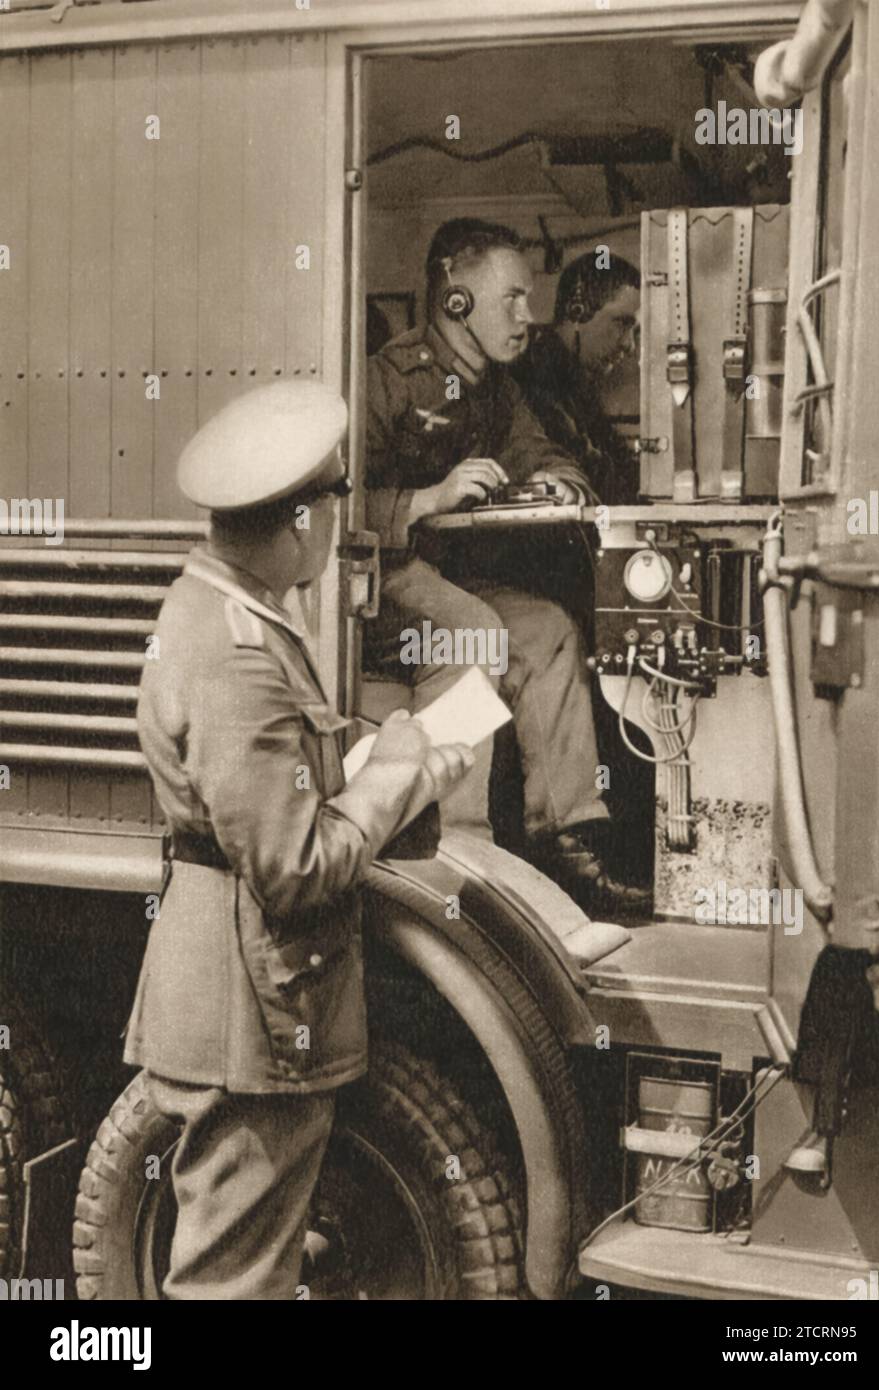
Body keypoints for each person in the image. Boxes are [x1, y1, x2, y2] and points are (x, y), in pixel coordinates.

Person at [125, 381, 474, 1300]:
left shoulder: (229, 612)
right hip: (251, 1015)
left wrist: (372, 762)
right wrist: (395, 773)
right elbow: (293, 867)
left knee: (248, 1270)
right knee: (232, 1282)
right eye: (332, 504)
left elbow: (277, 788)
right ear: (304, 521)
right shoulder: (236, 648)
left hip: (248, 994)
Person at [364, 217, 647, 915]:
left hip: (442, 582)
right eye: (512, 299)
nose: (527, 316)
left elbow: (539, 450)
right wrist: (424, 498)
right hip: (378, 585)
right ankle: (453, 853)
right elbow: (328, 510)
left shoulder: (496, 389)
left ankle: (565, 841)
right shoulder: (387, 380)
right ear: (456, 301)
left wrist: (558, 480)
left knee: (547, 630)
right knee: (477, 634)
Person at [511, 250, 641, 506]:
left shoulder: (576, 379)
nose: (629, 346)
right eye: (621, 324)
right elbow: (591, 467)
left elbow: (614, 457)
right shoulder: (536, 376)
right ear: (577, 311)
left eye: (634, 331)